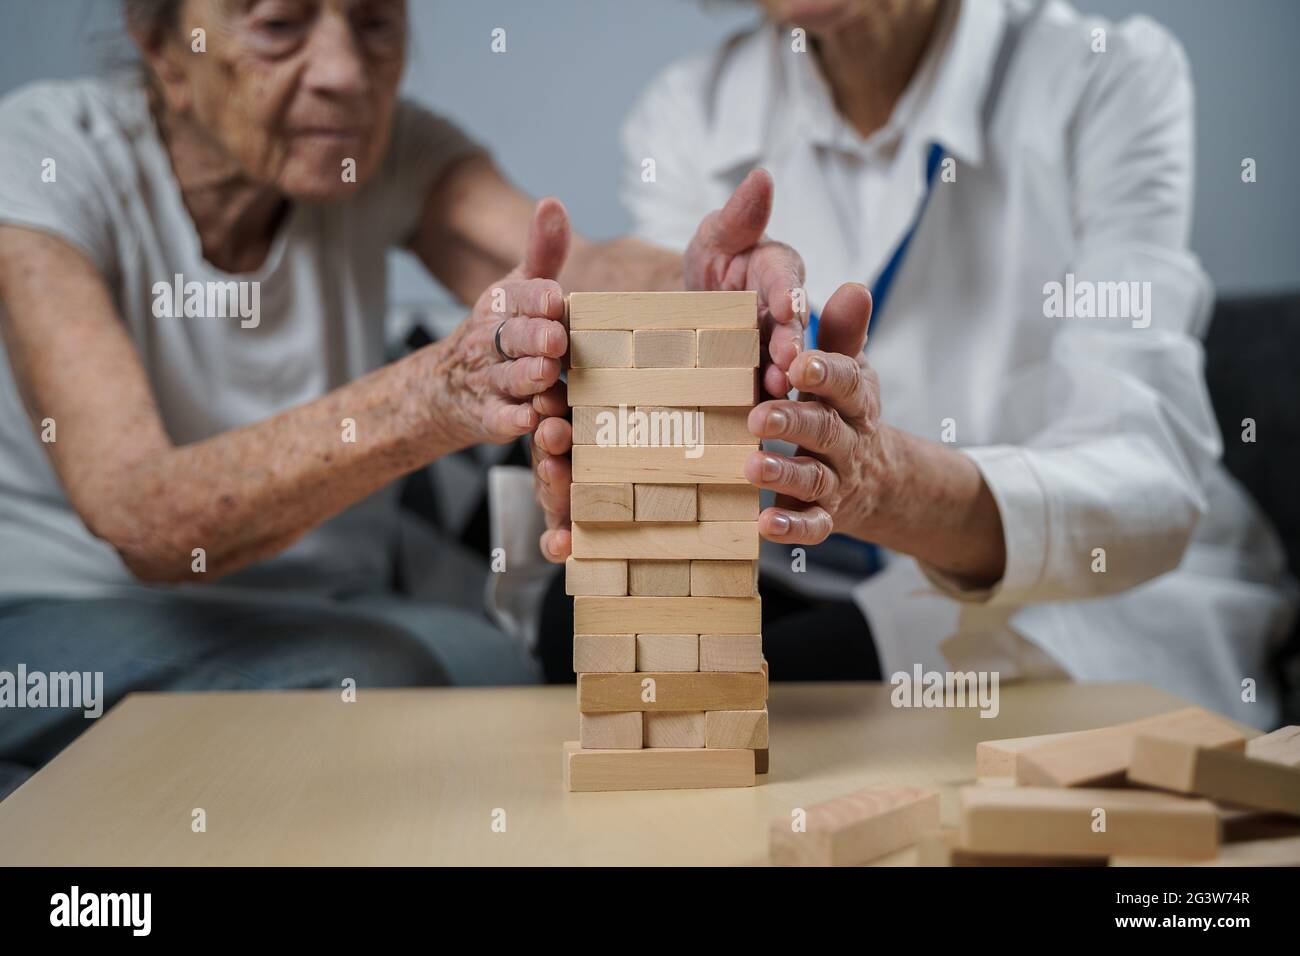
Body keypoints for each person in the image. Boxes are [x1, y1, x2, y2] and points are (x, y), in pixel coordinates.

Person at [0, 0, 812, 796]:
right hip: (67, 609)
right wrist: (435, 394)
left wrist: (706, 287)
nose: (346, 74)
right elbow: (143, 518)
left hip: (323, 606)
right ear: (163, 48)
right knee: (374, 674)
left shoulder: (383, 154)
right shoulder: (45, 154)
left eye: (376, 23)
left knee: (498, 668)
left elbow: (575, 274)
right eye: (280, 25)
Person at [531, 0, 1297, 725]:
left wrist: (889, 485)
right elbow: (676, 414)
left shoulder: (1105, 74)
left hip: (1064, 592)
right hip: (801, 571)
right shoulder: (688, 110)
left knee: (798, 682)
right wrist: (628, 422)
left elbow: (1149, 473)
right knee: (586, 633)